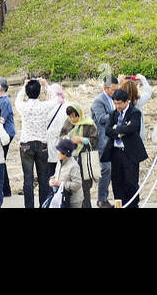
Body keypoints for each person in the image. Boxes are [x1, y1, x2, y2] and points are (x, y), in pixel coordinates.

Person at [16, 76, 64, 209]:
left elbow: (17, 100)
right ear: (39, 92)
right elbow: (55, 99)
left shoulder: (24, 107)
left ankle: (29, 206)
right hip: (42, 144)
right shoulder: (44, 106)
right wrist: (46, 85)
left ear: (27, 92)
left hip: (26, 144)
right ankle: (44, 205)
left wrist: (23, 88)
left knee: (28, 178)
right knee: (43, 178)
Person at [102, 87, 147, 208]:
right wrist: (121, 130)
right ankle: (119, 204)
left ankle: (132, 205)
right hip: (116, 152)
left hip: (130, 153)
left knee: (131, 182)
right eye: (115, 103)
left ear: (126, 101)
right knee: (117, 181)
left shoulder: (134, 112)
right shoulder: (113, 113)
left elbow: (133, 128)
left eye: (119, 103)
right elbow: (108, 131)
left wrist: (118, 128)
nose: (117, 106)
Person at [63, 102, 98, 208]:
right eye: (70, 116)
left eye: (75, 116)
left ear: (79, 114)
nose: (73, 119)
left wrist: (83, 140)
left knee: (84, 188)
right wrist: (67, 138)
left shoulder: (88, 123)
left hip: (84, 159)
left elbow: (95, 140)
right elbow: (61, 136)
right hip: (70, 159)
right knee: (71, 187)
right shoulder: (68, 123)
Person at [91, 73, 118, 208]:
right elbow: (101, 118)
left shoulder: (114, 99)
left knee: (113, 171)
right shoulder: (98, 101)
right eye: (113, 89)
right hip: (102, 141)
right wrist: (118, 113)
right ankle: (101, 199)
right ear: (106, 88)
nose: (115, 91)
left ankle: (107, 198)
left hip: (114, 141)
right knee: (105, 170)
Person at [48, 136, 84, 207]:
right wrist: (51, 180)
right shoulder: (59, 161)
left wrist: (61, 184)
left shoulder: (74, 166)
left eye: (60, 151)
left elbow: (77, 184)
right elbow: (56, 175)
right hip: (62, 198)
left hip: (73, 201)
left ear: (66, 153)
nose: (57, 152)